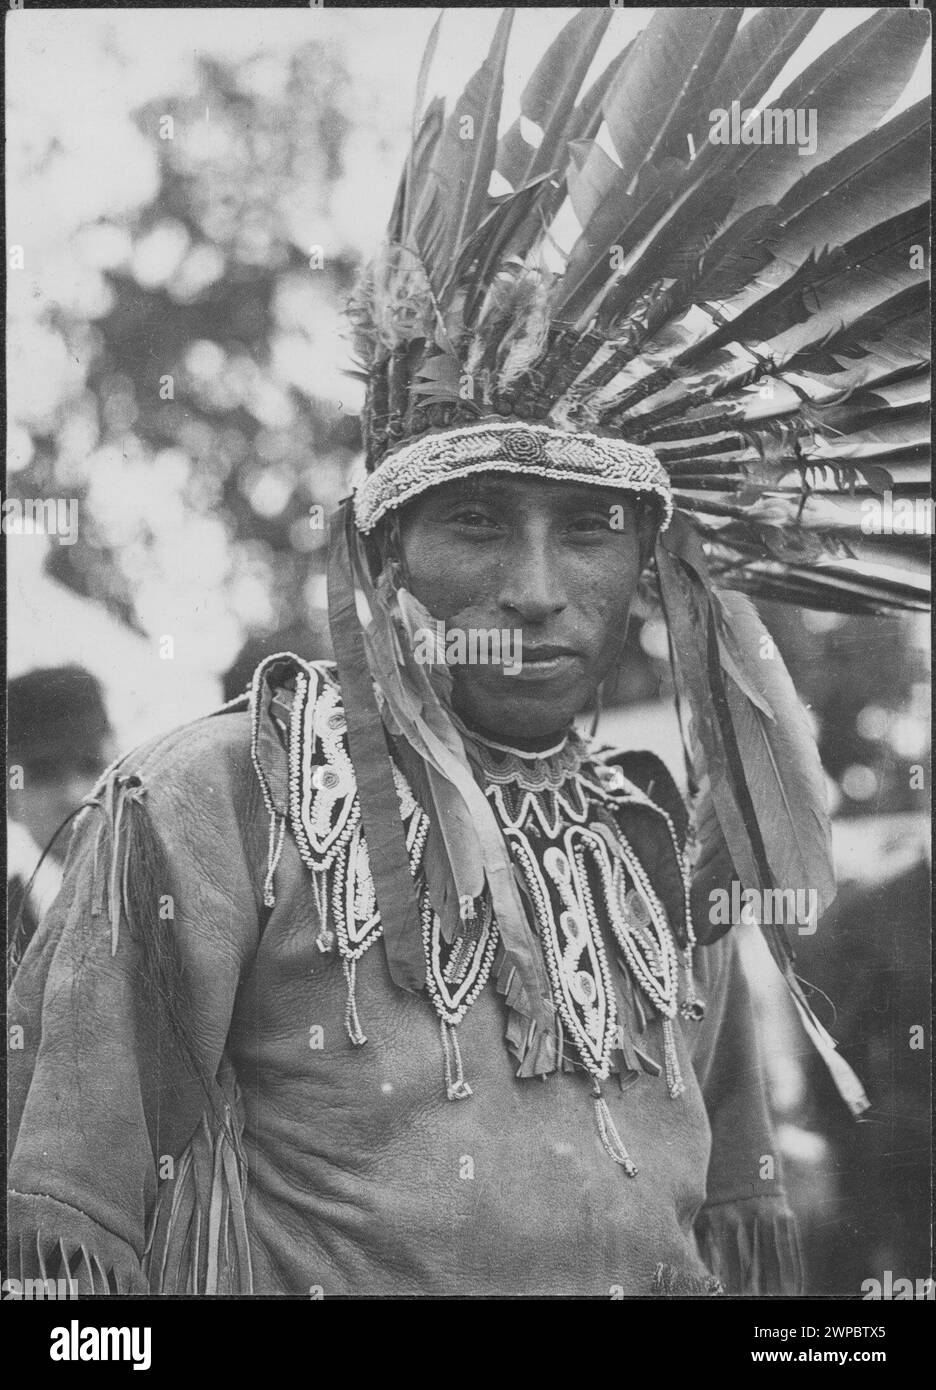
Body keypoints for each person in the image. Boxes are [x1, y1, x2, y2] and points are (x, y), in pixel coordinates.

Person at [7, 6, 929, 1296]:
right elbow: (63, 1273)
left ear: (658, 568)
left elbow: (726, 1244)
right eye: (477, 521)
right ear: (381, 552)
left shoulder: (666, 855)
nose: (538, 590)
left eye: (594, 531)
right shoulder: (214, 805)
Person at [7, 666, 115, 967]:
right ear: (9, 796)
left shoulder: (170, 894)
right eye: (44, 774)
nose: (73, 795)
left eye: (89, 764)